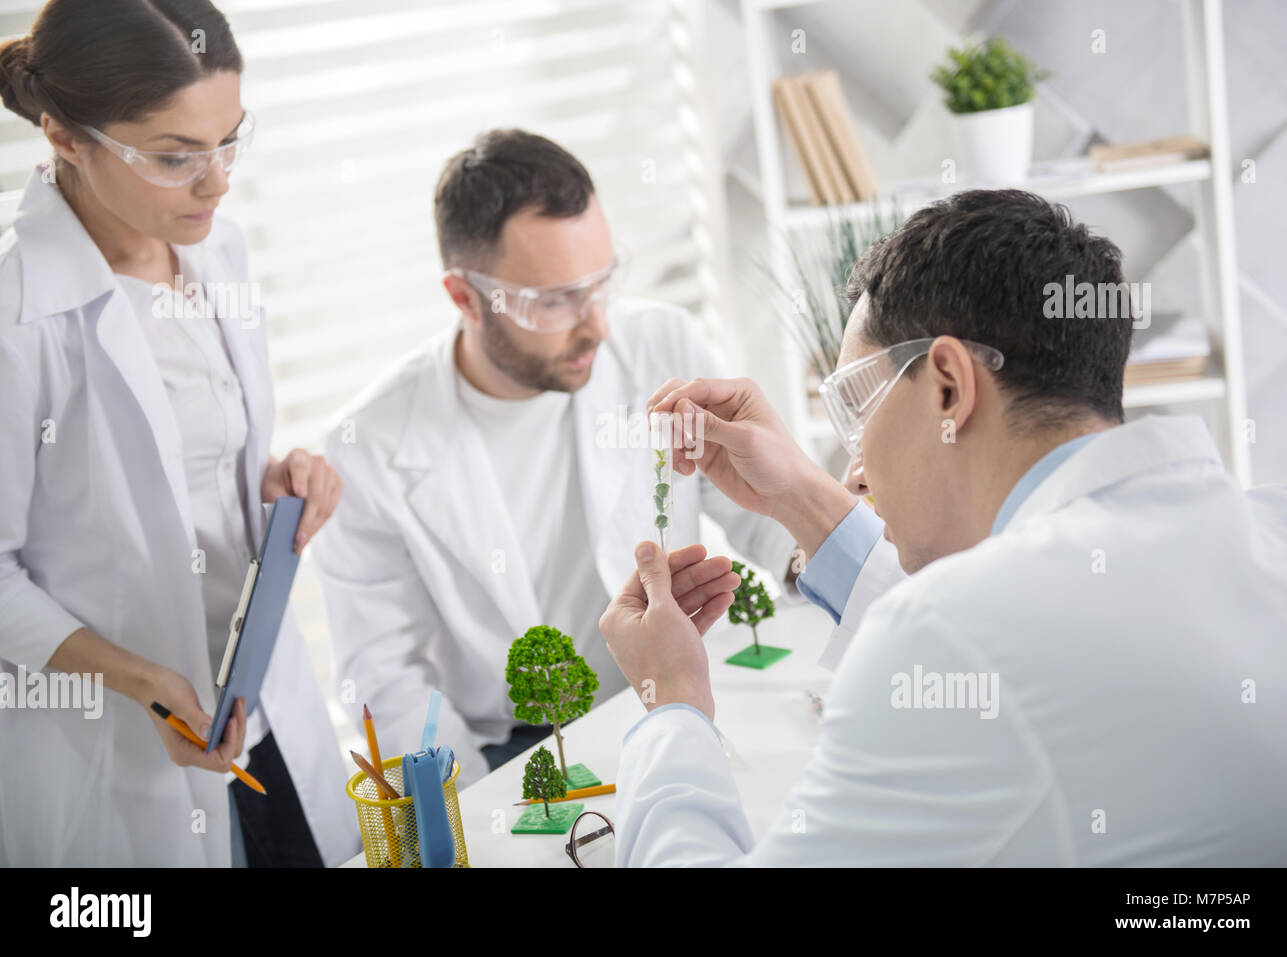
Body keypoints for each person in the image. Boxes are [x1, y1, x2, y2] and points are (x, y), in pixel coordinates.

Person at [599, 189, 1287, 866]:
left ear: (947, 386)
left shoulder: (949, 635)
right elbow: (1017, 653)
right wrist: (803, 504)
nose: (853, 467)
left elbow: (977, 645)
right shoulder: (1278, 527)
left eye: (855, 407)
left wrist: (672, 702)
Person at [313, 130, 849, 784]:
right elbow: (385, 674)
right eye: (555, 300)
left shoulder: (658, 342)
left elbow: (762, 519)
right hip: (514, 752)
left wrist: (805, 532)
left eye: (600, 283)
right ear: (463, 297)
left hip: (674, 693)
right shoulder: (364, 450)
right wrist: (485, 810)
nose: (596, 323)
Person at [0, 0, 355, 866]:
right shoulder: (18, 315)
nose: (218, 181)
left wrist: (273, 482)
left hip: (257, 710)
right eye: (174, 156)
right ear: (66, 136)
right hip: (117, 764)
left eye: (231, 138)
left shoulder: (213, 248)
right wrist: (137, 681)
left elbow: (183, 461)